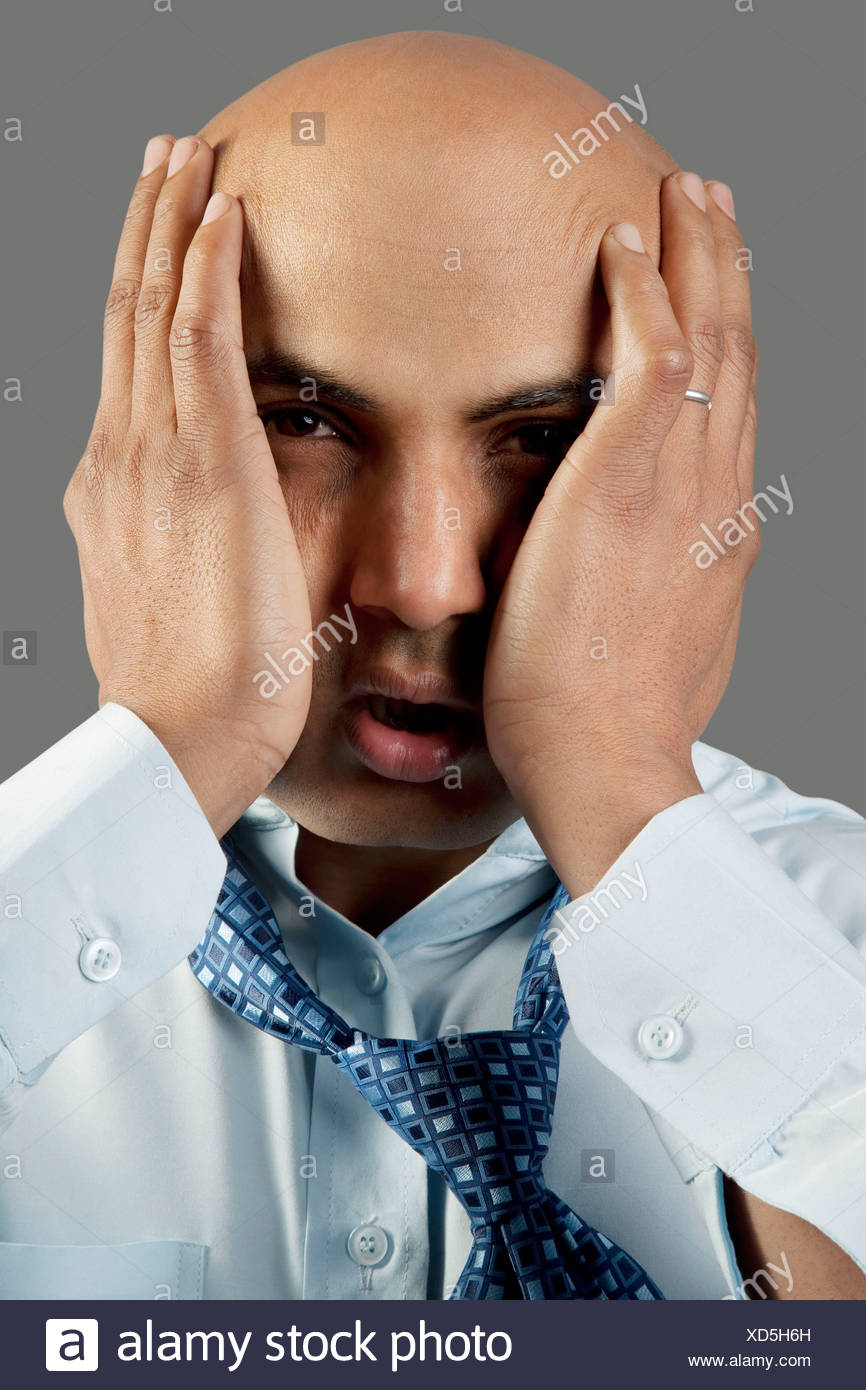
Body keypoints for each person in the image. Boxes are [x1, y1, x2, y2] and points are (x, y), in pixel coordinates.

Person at [1, 30, 865, 1301]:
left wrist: (618, 786)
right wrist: (174, 735)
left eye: (540, 437)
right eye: (300, 422)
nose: (423, 581)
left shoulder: (829, 939)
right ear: (147, 453)